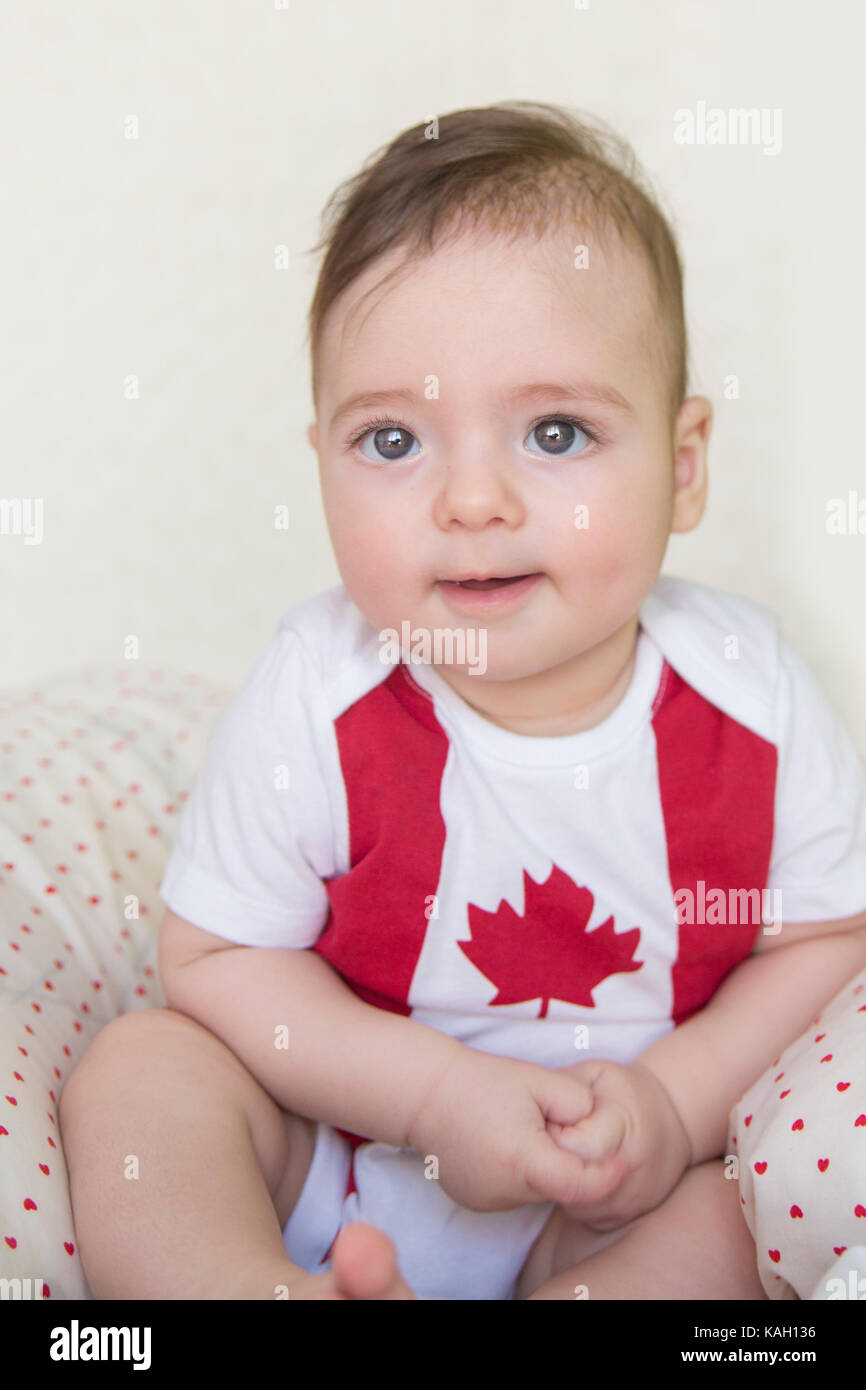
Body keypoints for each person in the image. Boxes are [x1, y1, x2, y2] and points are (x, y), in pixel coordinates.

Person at [60, 101, 866, 1300]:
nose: (471, 500)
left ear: (682, 465)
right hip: (335, 1159)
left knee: (729, 1223)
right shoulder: (318, 697)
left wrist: (673, 1099)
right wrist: (431, 1097)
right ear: (320, 460)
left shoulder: (751, 702)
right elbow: (218, 959)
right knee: (137, 1071)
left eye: (554, 430)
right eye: (391, 441)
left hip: (605, 1203)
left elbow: (826, 943)